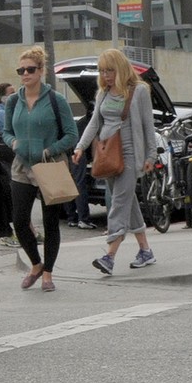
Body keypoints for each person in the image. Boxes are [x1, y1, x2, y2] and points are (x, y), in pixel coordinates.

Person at [73, 48, 159, 275]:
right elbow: (94, 122)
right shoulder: (103, 93)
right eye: (102, 71)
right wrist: (80, 146)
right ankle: (145, 251)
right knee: (128, 202)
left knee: (119, 203)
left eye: (109, 70)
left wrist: (151, 155)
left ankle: (109, 256)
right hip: (107, 155)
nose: (105, 75)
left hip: (130, 155)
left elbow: (148, 125)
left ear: (120, 68)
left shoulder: (139, 91)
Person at [0, 46, 77, 293]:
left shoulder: (56, 100)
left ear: (41, 70)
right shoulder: (14, 100)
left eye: (30, 69)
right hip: (22, 166)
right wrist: (13, 142)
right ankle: (36, 264)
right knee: (19, 220)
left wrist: (50, 149)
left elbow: (71, 134)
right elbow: (6, 130)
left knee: (50, 222)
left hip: (49, 166)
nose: (25, 74)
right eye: (21, 70)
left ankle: (48, 274)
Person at [0, 82, 20, 248]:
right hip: (5, 158)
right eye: (11, 93)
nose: (15, 95)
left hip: (9, 158)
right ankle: (8, 233)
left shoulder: (9, 110)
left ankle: (23, 231)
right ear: (2, 97)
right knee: (10, 194)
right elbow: (13, 130)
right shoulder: (2, 112)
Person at [63, 111, 95, 229]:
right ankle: (84, 219)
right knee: (79, 184)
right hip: (78, 150)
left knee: (70, 182)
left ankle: (72, 218)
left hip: (68, 147)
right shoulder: (94, 121)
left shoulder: (81, 121)